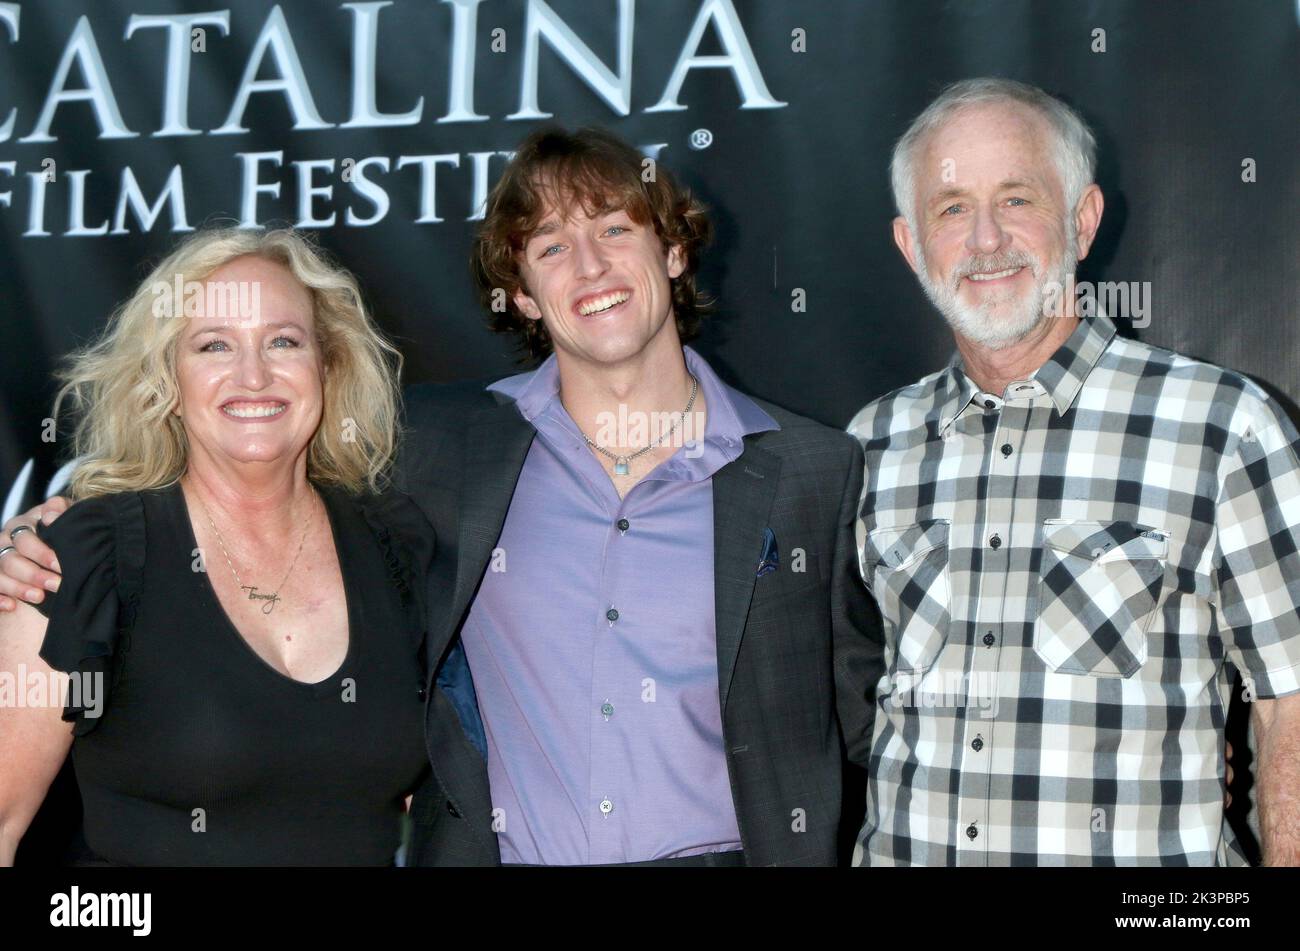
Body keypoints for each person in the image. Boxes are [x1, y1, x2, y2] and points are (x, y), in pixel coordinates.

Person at [3, 128, 883, 867]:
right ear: (524, 296)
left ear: (676, 249)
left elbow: (852, 727)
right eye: (548, 247)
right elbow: (239, 457)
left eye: (616, 229)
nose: (589, 266)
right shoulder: (445, 451)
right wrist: (62, 532)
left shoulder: (813, 470)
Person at [847, 77, 1300, 865]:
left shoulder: (1222, 426)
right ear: (911, 244)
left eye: (1017, 199)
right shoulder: (870, 444)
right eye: (952, 208)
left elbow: (1291, 706)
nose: (986, 239)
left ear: (1082, 221)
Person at [0, 228, 433, 865]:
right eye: (213, 346)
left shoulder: (397, 548)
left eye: (284, 341)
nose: (253, 375)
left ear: (327, 364)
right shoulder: (82, 560)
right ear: (167, 381)